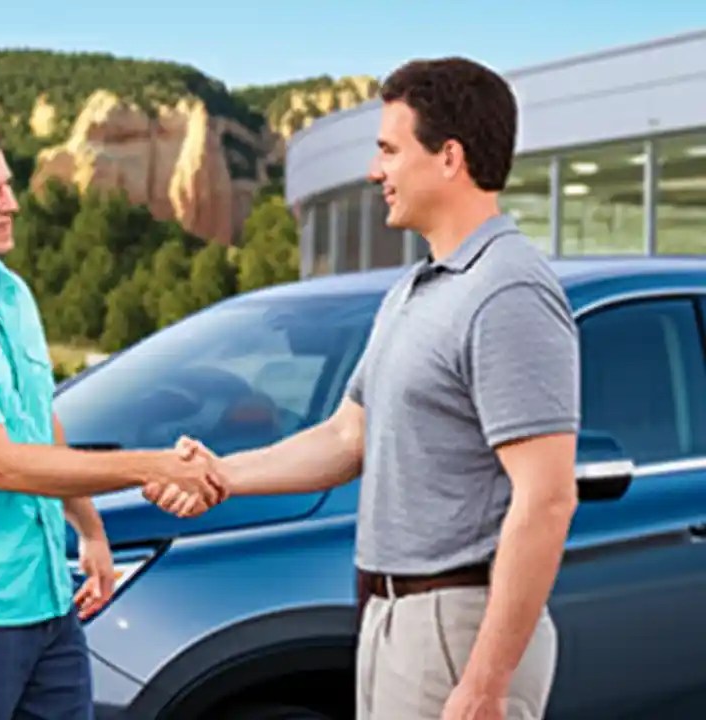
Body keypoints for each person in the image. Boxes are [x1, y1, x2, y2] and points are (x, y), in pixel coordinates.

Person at [154, 57, 580, 720]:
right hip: (391, 620)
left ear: (449, 158)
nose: (374, 171)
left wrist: (486, 683)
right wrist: (222, 475)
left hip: (458, 628)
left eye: (388, 150)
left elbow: (547, 497)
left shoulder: (509, 292)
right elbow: (347, 435)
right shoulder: (417, 288)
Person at [0, 112, 224, 720]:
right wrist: (155, 467)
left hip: (47, 596)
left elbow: (40, 421)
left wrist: (89, 529)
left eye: (7, 185)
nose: (12, 205)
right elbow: (2, 465)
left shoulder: (9, 290)